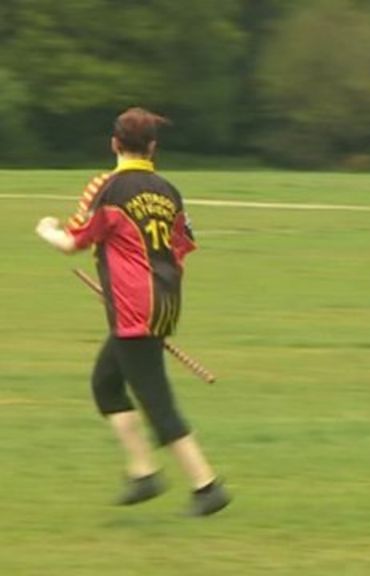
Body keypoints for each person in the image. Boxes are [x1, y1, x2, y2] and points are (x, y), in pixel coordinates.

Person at [34, 107, 231, 516]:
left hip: (134, 309)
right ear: (152, 147)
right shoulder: (169, 191)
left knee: (156, 401)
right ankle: (143, 473)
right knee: (106, 386)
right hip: (164, 302)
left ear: (114, 143)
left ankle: (206, 486)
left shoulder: (108, 188)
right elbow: (182, 245)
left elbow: (74, 242)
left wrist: (47, 230)